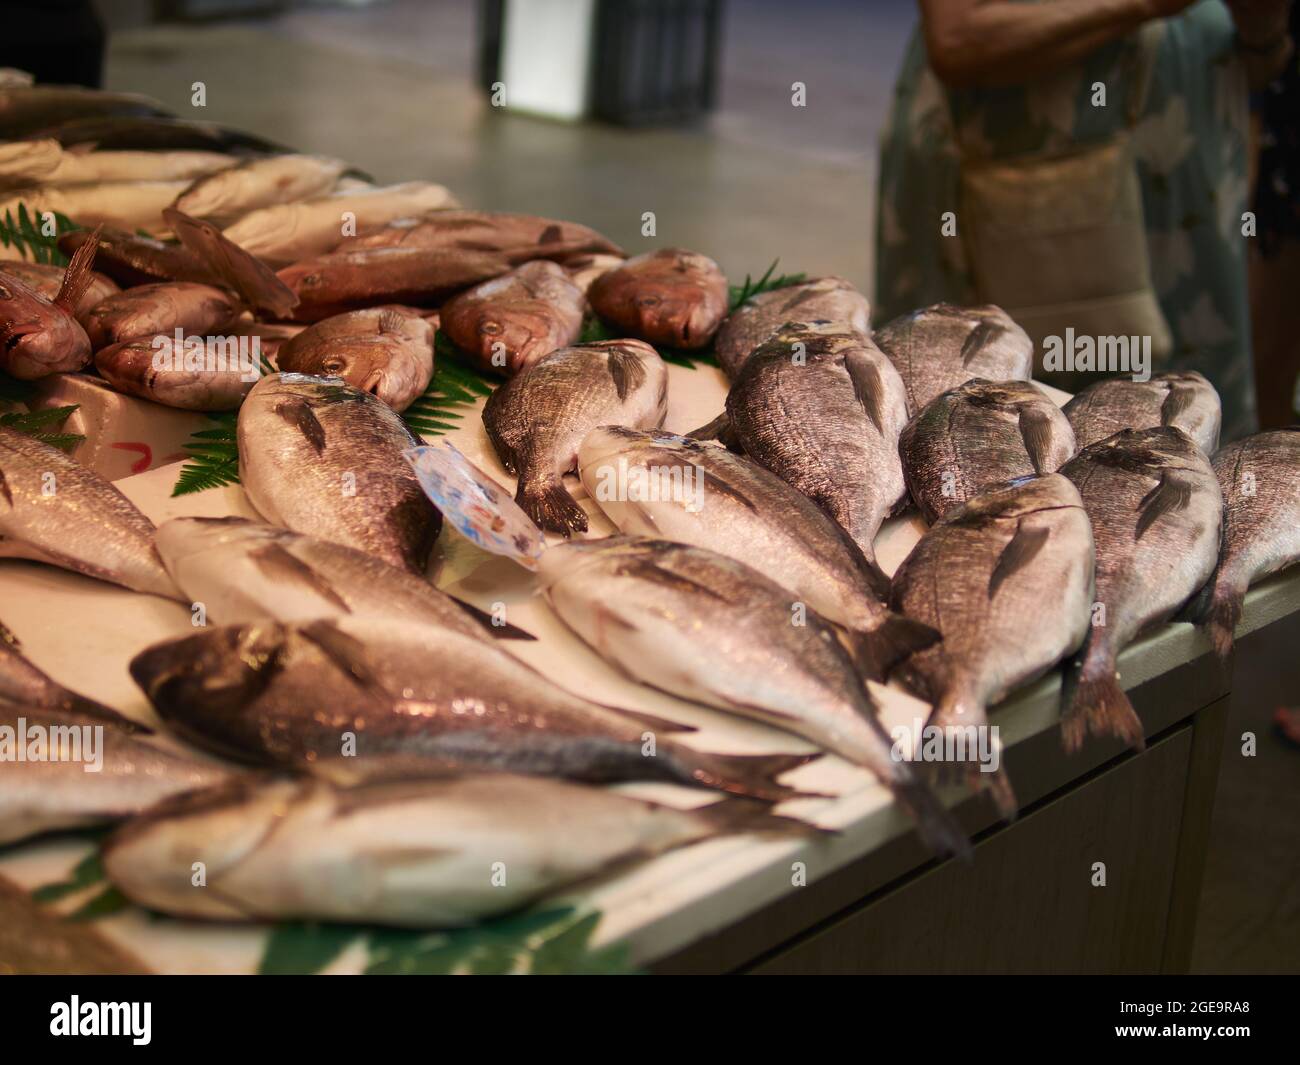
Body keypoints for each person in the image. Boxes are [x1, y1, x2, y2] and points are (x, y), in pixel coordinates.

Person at [876, 0, 1295, 441]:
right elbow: (958, 40)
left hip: (1189, 202)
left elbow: (1246, 67)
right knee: (983, 426)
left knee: (1184, 451)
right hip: (1023, 183)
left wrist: (1263, 32)